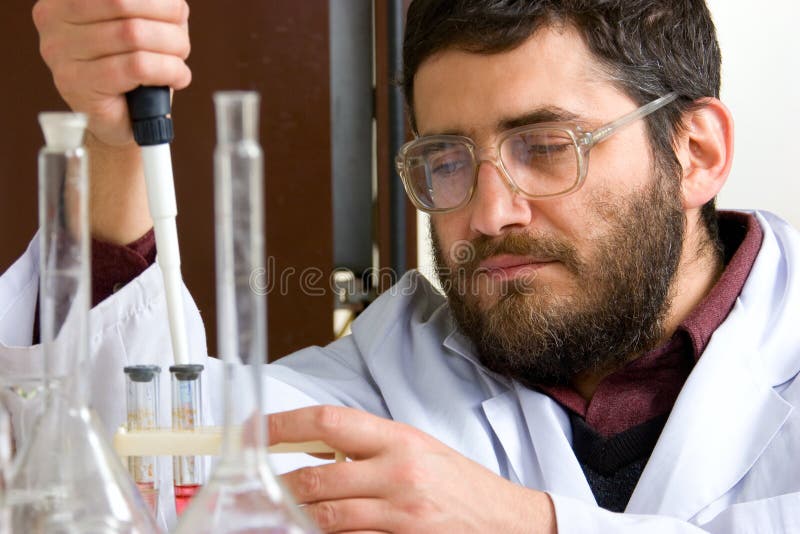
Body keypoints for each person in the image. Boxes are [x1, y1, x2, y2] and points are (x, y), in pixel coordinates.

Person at [3, 0, 798, 532]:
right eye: (447, 160)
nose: (489, 214)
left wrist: (531, 524)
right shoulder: (396, 364)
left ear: (697, 153)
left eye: (549, 149)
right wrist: (112, 140)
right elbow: (128, 445)